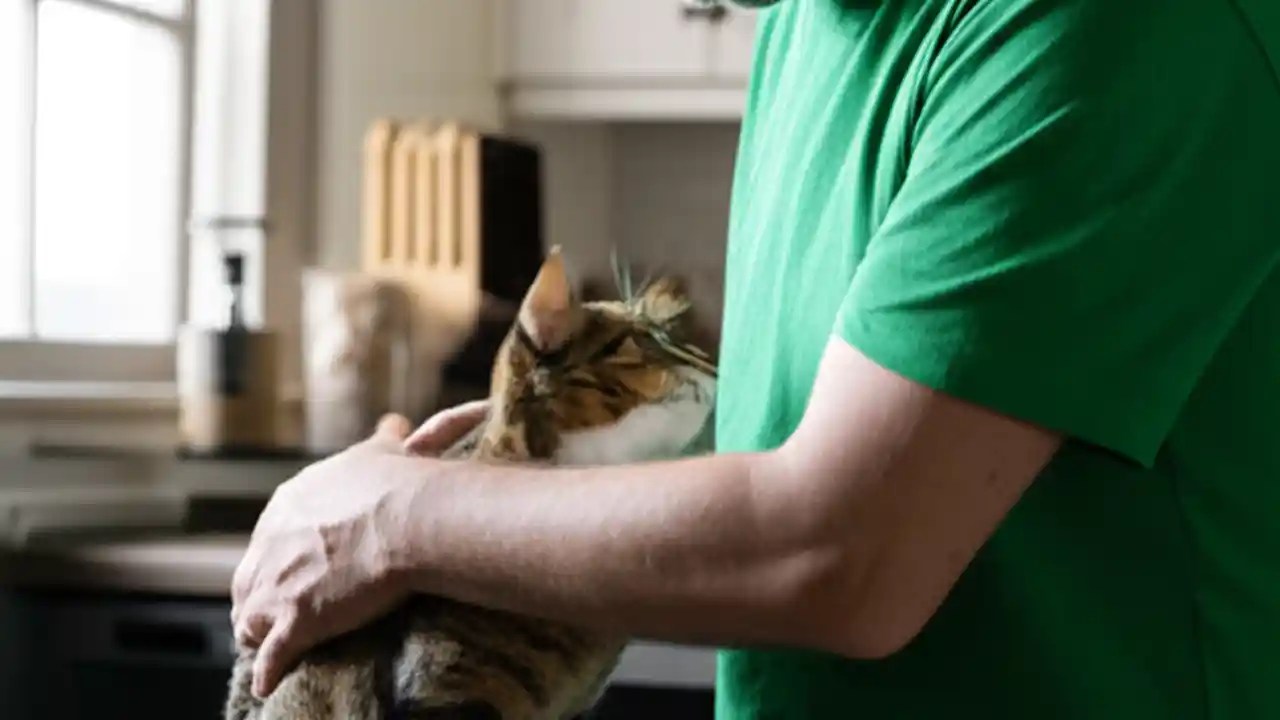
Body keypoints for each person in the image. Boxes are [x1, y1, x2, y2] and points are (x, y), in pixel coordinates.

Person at [232, 0, 1280, 717]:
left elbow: (838, 554)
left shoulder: (1119, 23)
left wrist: (389, 520)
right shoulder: (800, 25)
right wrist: (498, 507)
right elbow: (776, 479)